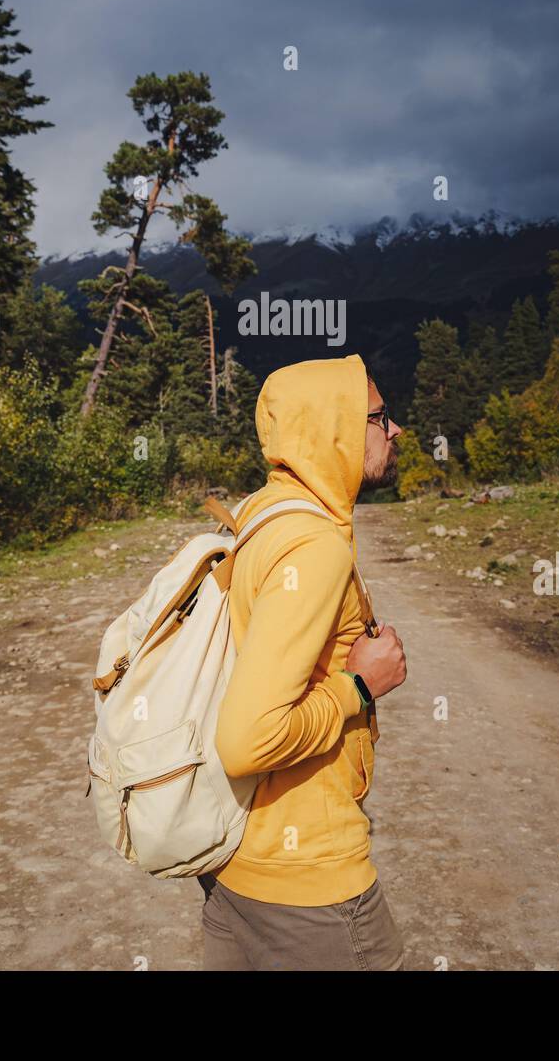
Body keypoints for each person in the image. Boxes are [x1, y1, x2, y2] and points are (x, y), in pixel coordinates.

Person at [197, 352, 408, 970]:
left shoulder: (265, 512)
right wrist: (361, 686)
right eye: (379, 416)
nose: (395, 431)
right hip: (309, 888)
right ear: (334, 427)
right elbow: (247, 740)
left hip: (238, 863)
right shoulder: (314, 544)